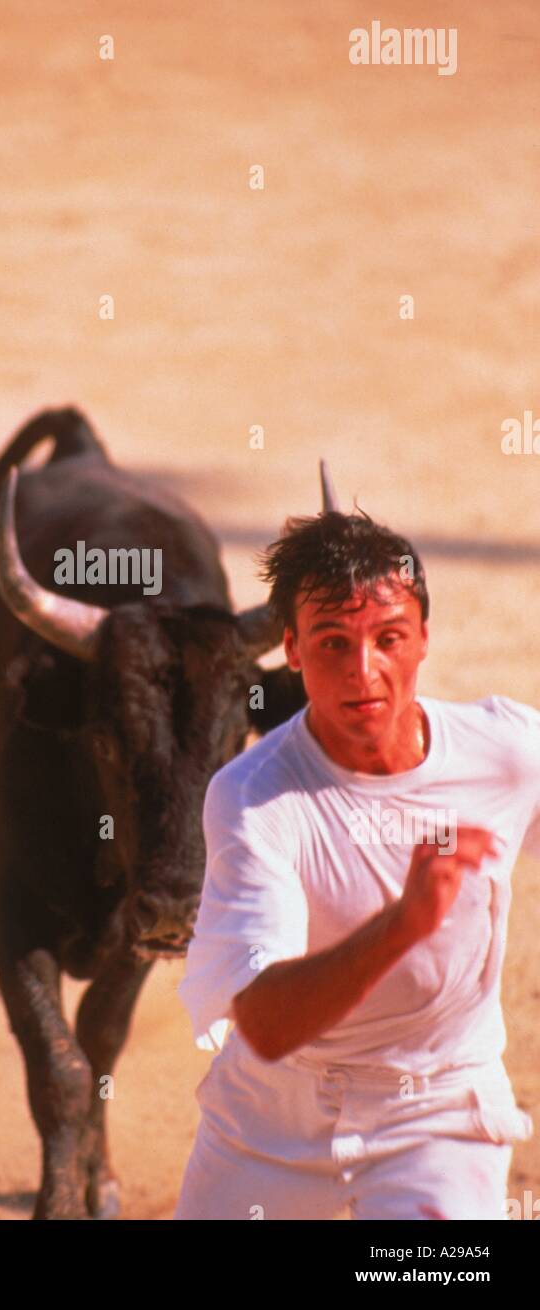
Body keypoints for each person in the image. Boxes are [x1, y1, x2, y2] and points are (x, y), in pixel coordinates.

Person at [173, 507, 539, 1220]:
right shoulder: (251, 798)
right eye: (333, 641)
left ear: (422, 640)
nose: (361, 671)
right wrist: (404, 923)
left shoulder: (508, 752)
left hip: (439, 1109)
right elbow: (269, 1027)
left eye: (388, 638)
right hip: (266, 1122)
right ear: (293, 651)